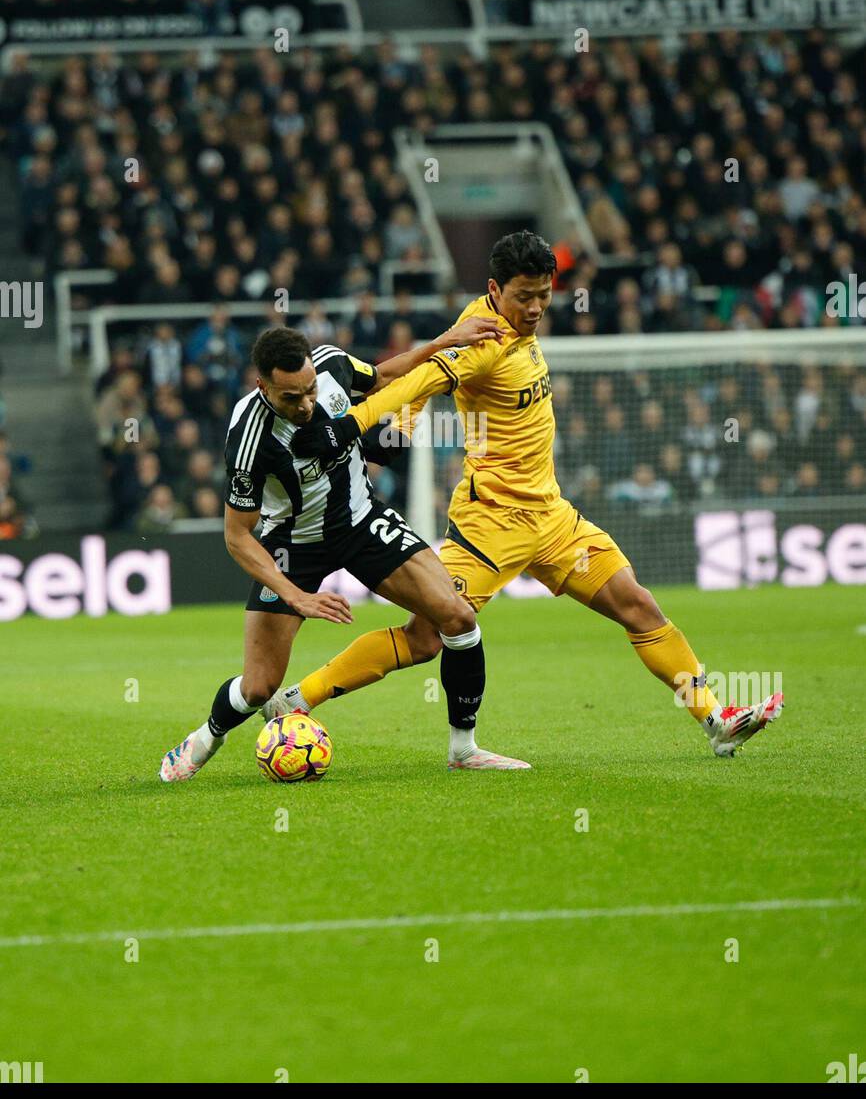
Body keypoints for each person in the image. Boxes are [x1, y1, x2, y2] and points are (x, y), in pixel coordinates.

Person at [287, 230, 783, 761]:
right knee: (427, 637)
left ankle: (716, 720)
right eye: (524, 296)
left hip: (551, 518)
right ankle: (297, 700)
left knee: (639, 606)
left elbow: (427, 384)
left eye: (544, 294)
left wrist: (395, 434)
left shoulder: (504, 317)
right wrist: (356, 424)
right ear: (495, 289)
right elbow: (421, 381)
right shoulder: (482, 343)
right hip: (490, 524)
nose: (536, 307)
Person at [159, 311, 530, 782]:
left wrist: (447, 339)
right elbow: (237, 536)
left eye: (310, 390)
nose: (306, 403)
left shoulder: (331, 363)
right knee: (258, 686)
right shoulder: (250, 439)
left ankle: (463, 748)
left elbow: (386, 374)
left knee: (457, 618)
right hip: (292, 544)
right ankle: (206, 738)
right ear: (263, 386)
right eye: (291, 398)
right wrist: (296, 596)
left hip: (360, 520)